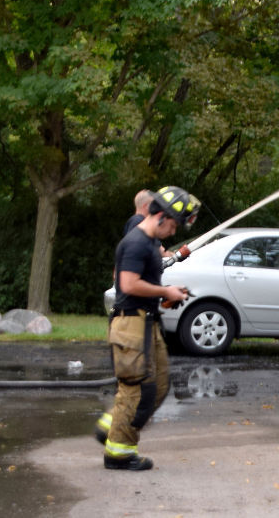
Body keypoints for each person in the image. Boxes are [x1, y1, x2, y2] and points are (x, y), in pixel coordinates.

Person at [95, 186, 199, 470]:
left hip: (147, 322)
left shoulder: (150, 244)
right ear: (162, 216)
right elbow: (127, 284)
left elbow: (144, 284)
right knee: (138, 390)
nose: (174, 232)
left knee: (160, 385)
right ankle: (118, 452)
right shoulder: (137, 242)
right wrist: (166, 290)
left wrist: (166, 293)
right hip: (131, 324)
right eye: (174, 225)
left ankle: (113, 427)